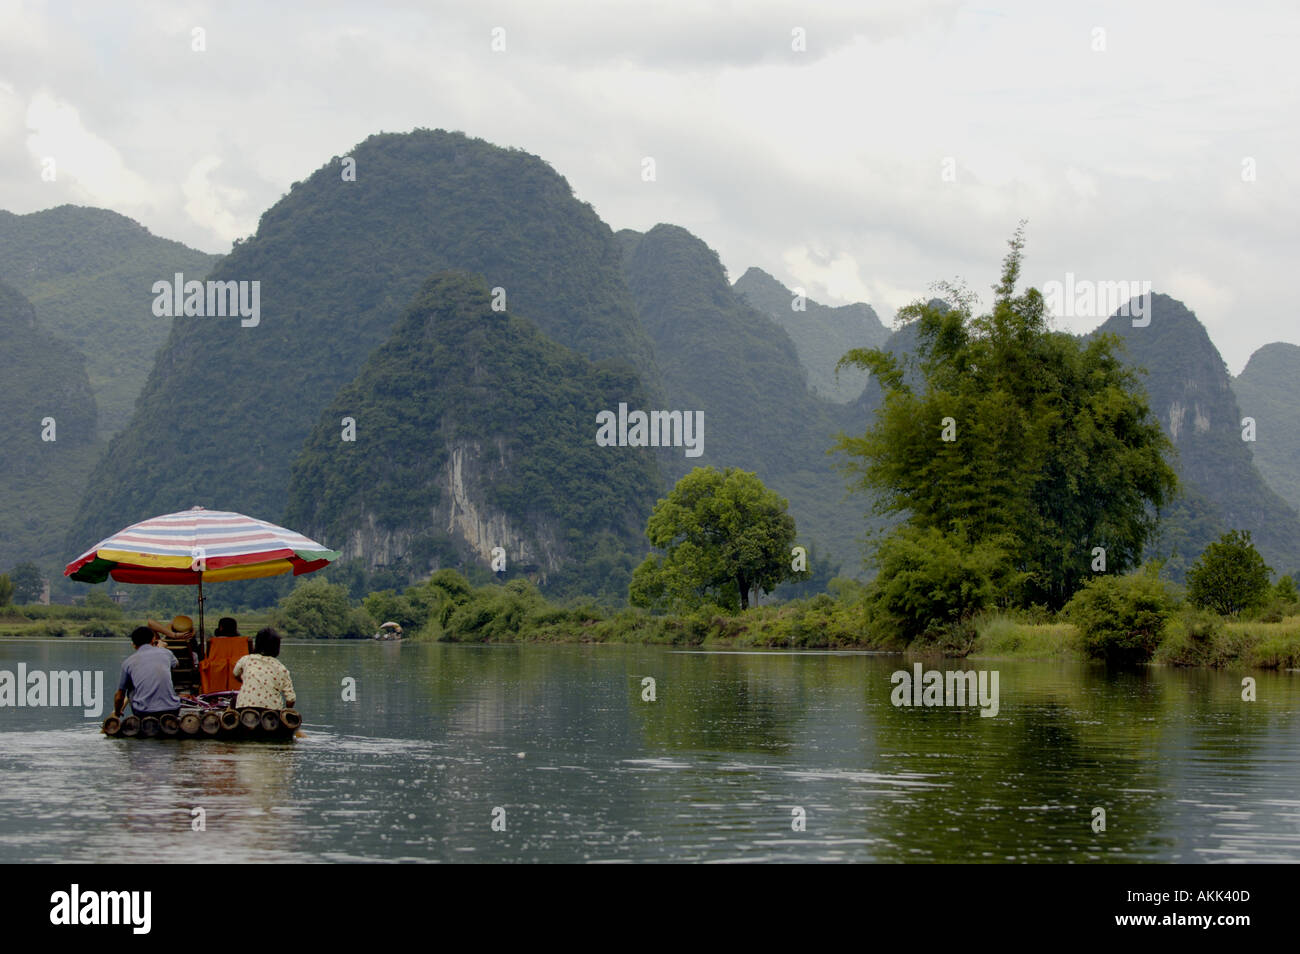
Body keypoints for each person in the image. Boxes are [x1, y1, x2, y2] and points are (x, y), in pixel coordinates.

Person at [113, 626, 182, 718]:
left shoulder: (128, 662)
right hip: (172, 710)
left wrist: (117, 712)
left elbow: (119, 696)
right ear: (153, 639)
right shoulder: (166, 653)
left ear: (133, 645)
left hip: (143, 713)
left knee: (130, 687)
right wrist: (162, 649)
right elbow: (176, 664)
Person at [232, 628, 296, 710]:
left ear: (257, 644)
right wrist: (287, 710)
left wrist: (244, 680)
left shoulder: (246, 659)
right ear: (277, 647)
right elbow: (291, 699)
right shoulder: (281, 668)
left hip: (244, 709)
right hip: (271, 712)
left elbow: (235, 673)